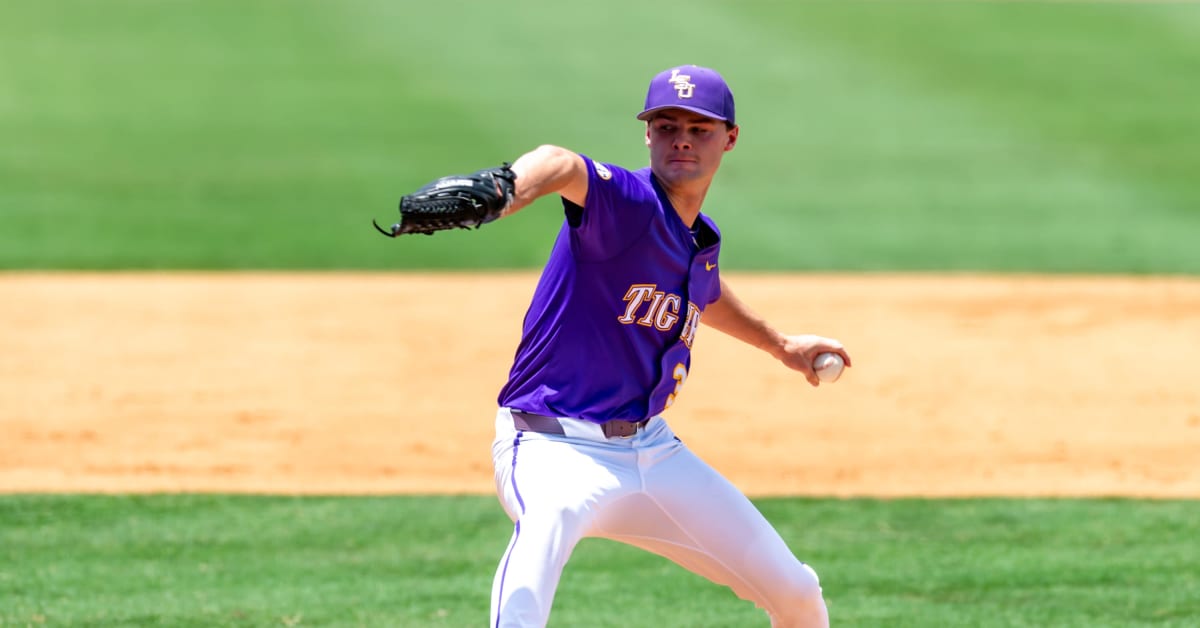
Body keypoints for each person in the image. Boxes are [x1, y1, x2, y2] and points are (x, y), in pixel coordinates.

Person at [436, 65, 851, 627]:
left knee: (797, 593)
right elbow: (561, 163)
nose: (681, 137)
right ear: (647, 135)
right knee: (532, 569)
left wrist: (781, 345)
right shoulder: (624, 204)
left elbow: (702, 289)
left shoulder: (698, 238)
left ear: (729, 138)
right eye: (666, 124)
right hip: (553, 449)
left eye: (699, 128)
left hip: (653, 453)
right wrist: (505, 188)